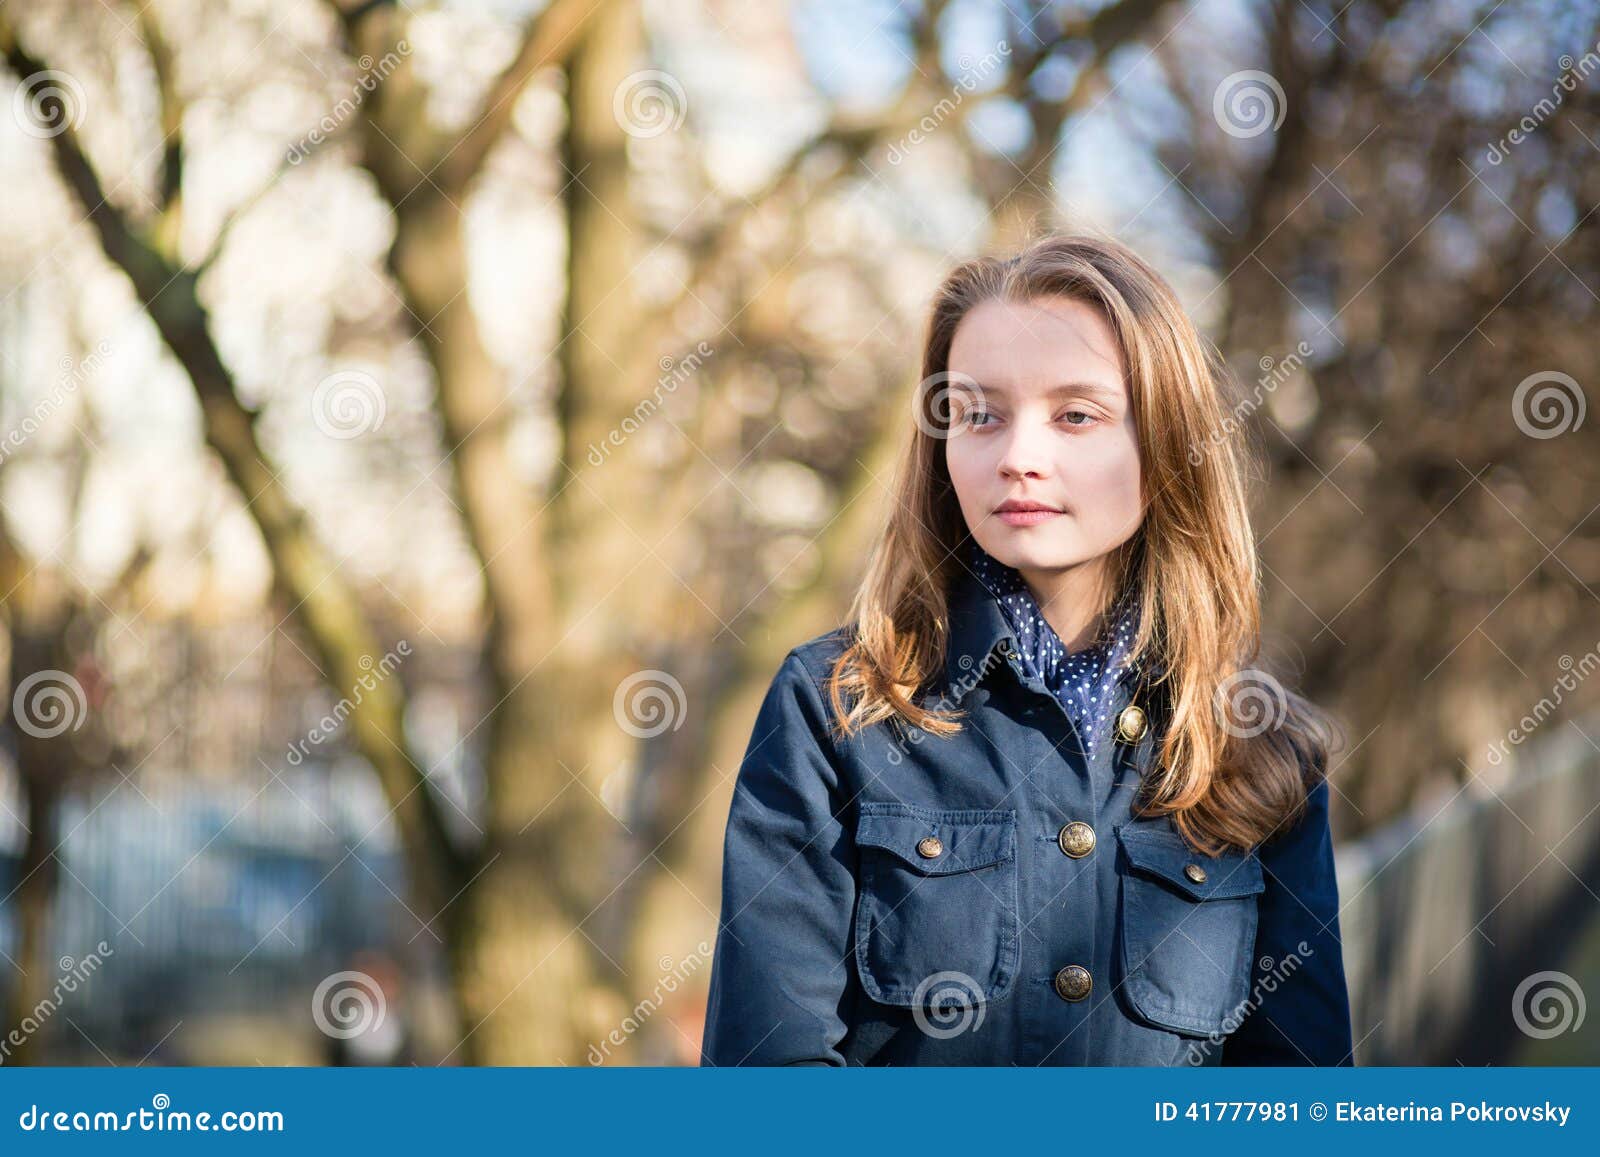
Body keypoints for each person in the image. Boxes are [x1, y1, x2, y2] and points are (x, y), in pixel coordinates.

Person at [699, 233, 1353, 1066]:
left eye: (1076, 415)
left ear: (1165, 447)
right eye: (979, 414)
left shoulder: (1262, 750)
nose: (1017, 458)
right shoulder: (833, 707)